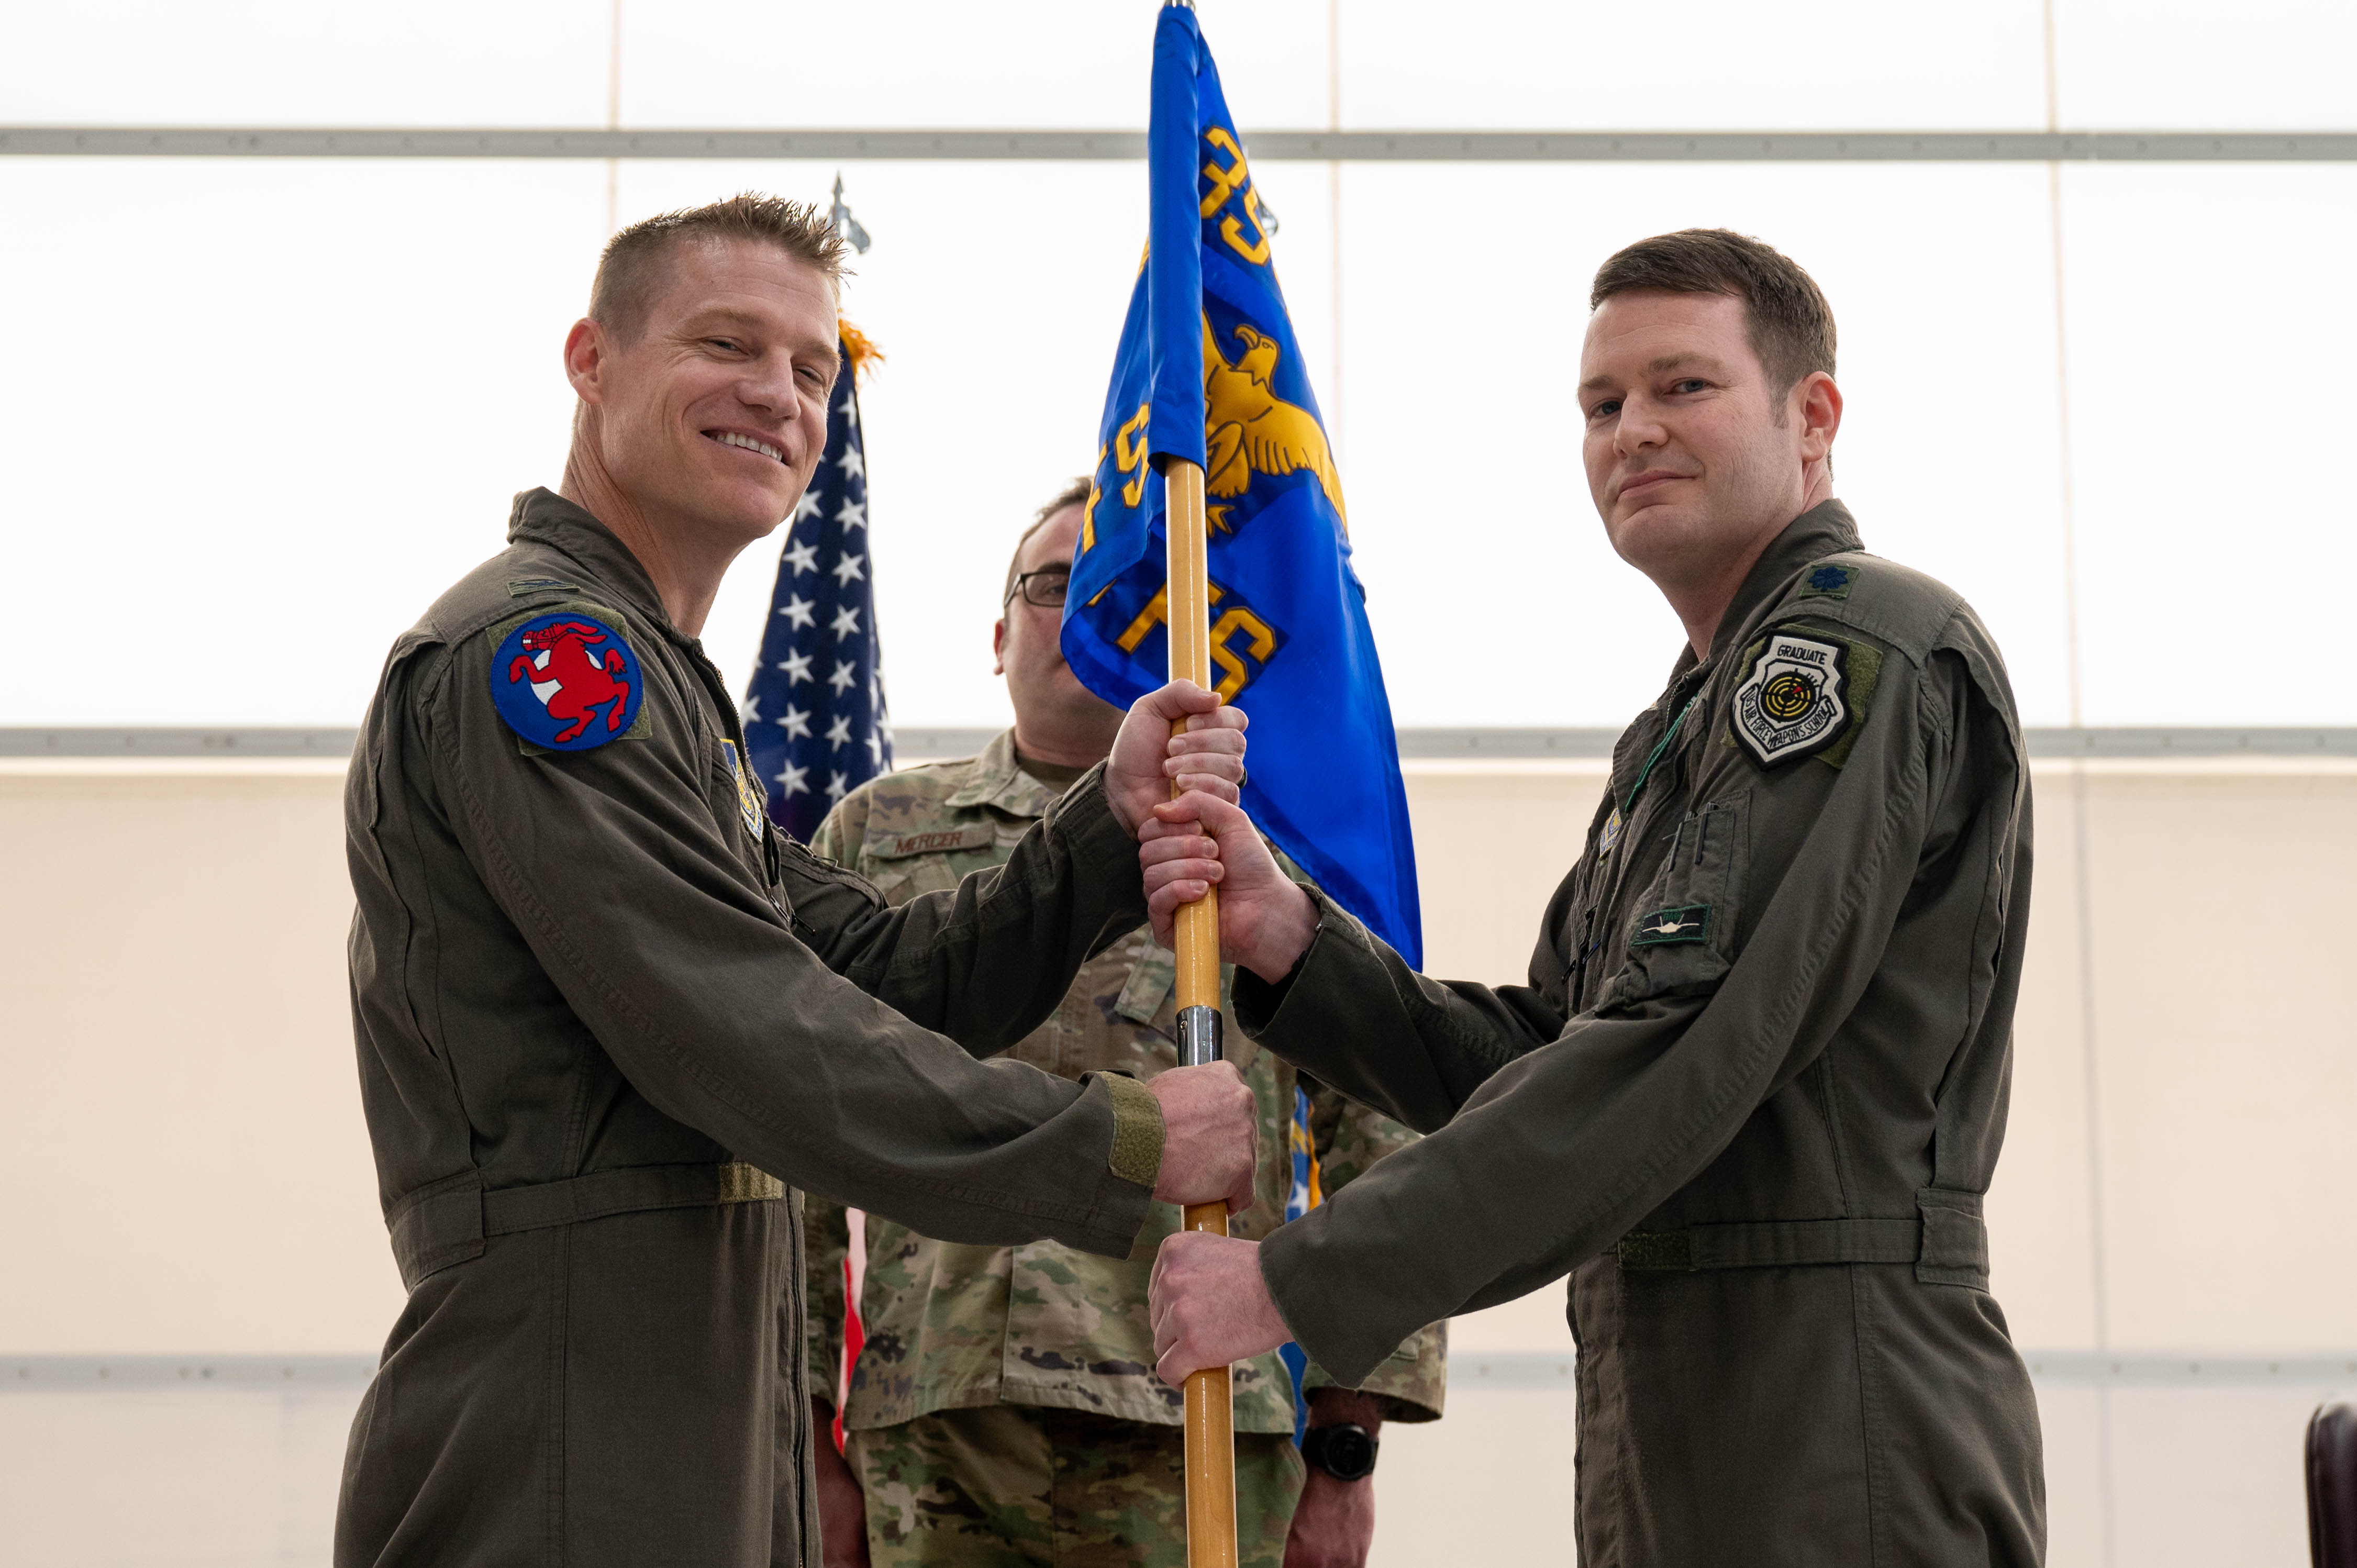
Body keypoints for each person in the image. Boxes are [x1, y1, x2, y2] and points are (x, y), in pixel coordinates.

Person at [336, 194, 1262, 1568]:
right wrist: (1115, 1142)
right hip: (576, 1399)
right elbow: (744, 1031)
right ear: (593, 360)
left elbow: (890, 973)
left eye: (812, 369)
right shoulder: (542, 662)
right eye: (726, 343)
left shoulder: (652, 685)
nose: (776, 394)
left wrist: (1100, 827)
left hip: (697, 1385)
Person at [1141, 229, 2047, 1565]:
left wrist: (1297, 1277)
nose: (1632, 431)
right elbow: (1544, 1059)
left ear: (1814, 418)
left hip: (1834, 1408)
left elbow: (1672, 1052)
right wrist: (1297, 949)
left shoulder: (1850, 651)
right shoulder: (1677, 733)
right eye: (1601, 404)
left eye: (1684, 387)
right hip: (1677, 1406)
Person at [801, 481, 1446, 1568]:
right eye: (1056, 584)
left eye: (1124, 587)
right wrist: (803, 1429)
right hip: (934, 1425)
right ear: (996, 633)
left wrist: (1346, 1444)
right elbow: (802, 1139)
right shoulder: (879, 829)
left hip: (1199, 1418)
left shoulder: (1268, 844)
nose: (1087, 609)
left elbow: (1386, 1128)